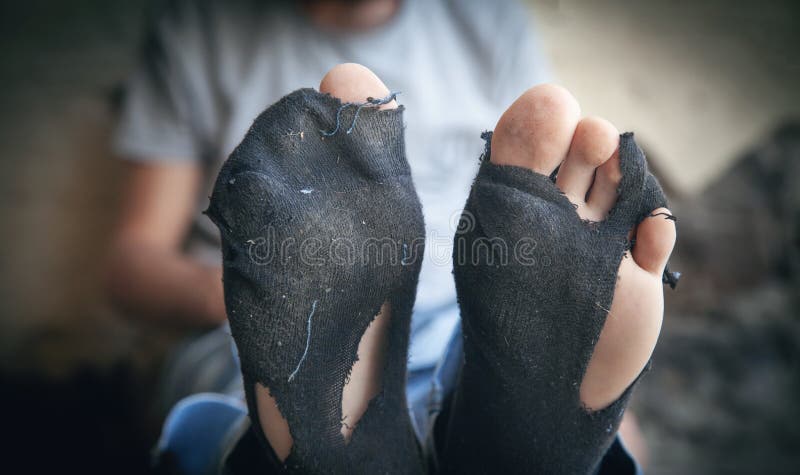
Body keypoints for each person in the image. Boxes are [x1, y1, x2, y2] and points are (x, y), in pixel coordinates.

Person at [107, 1, 675, 473]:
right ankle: (524, 434)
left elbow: (543, 184)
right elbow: (133, 263)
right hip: (251, 330)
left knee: (588, 417)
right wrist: (253, 290)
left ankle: (481, 423)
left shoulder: (486, 18)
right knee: (258, 380)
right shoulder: (200, 27)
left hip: (471, 316)